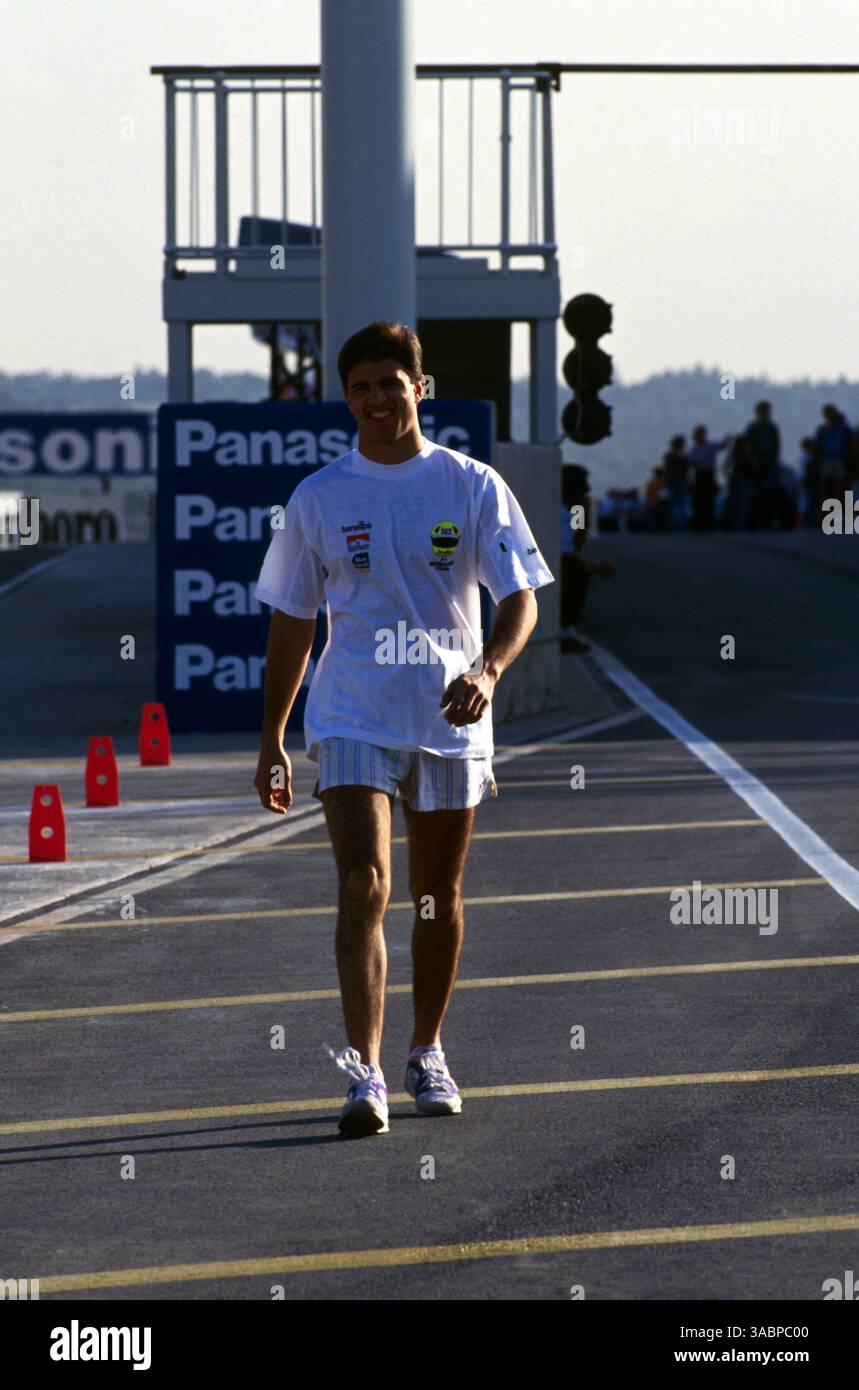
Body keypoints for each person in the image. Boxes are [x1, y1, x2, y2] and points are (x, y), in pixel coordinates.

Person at [253, 321, 554, 1138]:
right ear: (345, 399)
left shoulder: (470, 484)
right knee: (362, 884)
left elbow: (520, 593)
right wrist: (273, 736)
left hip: (449, 714)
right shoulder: (319, 497)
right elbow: (291, 620)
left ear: (420, 389)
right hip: (352, 710)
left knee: (435, 896)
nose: (377, 400)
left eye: (391, 383)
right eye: (360, 388)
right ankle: (366, 1072)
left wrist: (487, 671)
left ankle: (427, 1050)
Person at [687, 425, 731, 532]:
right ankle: (699, 524)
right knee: (699, 500)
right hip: (700, 475)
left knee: (708, 500)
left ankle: (707, 523)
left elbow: (722, 446)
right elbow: (690, 464)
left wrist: (727, 439)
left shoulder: (708, 446)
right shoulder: (694, 449)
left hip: (708, 474)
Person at [744, 401, 780, 529]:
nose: (767, 414)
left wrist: (775, 460)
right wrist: (753, 460)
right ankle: (754, 522)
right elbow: (748, 446)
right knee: (755, 494)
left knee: (770, 494)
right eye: (764, 411)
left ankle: (768, 521)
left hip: (769, 464)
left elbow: (776, 445)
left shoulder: (772, 428)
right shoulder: (753, 428)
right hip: (757, 465)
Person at [815, 404, 853, 499]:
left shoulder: (844, 429)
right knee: (826, 486)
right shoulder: (823, 430)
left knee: (839, 485)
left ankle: (838, 505)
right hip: (826, 459)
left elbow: (850, 443)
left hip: (840, 459)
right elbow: (819, 445)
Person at [663, 434, 690, 530]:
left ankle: (669, 525)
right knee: (681, 504)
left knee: (671, 504)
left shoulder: (669, 456)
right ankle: (680, 526)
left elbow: (666, 470)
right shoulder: (682, 457)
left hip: (672, 481)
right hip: (679, 481)